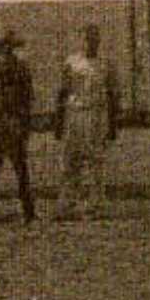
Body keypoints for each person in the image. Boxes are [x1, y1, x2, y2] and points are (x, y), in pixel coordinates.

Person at [53, 25, 120, 218]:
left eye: (94, 39)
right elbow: (63, 92)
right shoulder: (71, 62)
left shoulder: (106, 64)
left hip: (96, 114)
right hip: (75, 114)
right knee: (70, 160)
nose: (90, 43)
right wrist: (58, 122)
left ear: (98, 41)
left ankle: (95, 205)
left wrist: (112, 124)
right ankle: (68, 204)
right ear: (81, 40)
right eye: (87, 39)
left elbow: (113, 94)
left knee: (95, 160)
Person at [0, 30, 37, 224]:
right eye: (4, 46)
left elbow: (28, 98)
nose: (7, 50)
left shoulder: (22, 69)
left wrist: (25, 124)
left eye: (11, 46)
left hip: (15, 123)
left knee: (21, 168)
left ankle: (28, 211)